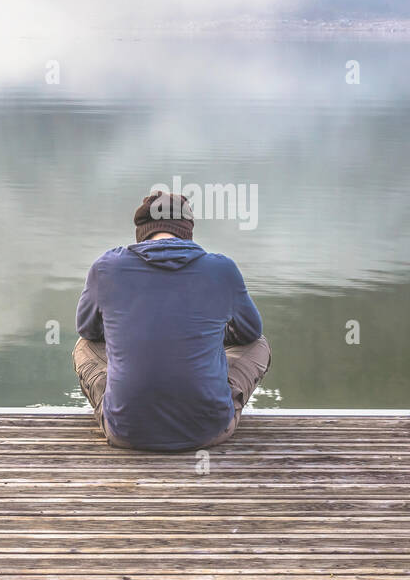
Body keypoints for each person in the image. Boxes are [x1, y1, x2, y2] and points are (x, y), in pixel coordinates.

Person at [73, 191, 271, 451]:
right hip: (207, 431)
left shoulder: (106, 268)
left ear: (141, 232)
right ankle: (215, 406)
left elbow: (88, 330)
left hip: (126, 432)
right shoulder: (222, 270)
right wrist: (203, 337)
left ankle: (122, 407)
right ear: (187, 231)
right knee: (260, 345)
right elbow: (250, 334)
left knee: (84, 347)